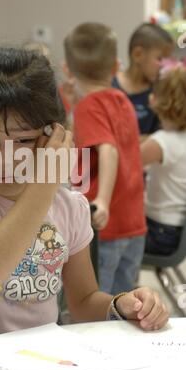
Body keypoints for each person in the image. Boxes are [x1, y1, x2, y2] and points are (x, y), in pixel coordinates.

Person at [0, 47, 168, 346]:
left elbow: (83, 300)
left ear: (55, 137)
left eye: (23, 140)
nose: (3, 158)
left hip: (44, 363)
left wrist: (120, 305)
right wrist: (47, 179)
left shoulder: (69, 207)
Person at [63, 22, 147, 295]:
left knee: (96, 307)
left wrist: (102, 200)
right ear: (115, 67)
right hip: (133, 225)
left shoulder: (89, 107)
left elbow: (108, 150)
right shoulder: (122, 101)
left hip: (104, 228)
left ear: (67, 69)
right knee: (124, 307)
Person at [141, 64, 186, 255]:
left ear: (155, 100)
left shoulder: (161, 142)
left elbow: (127, 162)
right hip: (175, 231)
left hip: (158, 232)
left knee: (103, 239)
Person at [112, 23, 174, 140]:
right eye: (159, 58)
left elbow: (162, 139)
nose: (163, 65)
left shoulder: (159, 94)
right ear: (138, 55)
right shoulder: (109, 86)